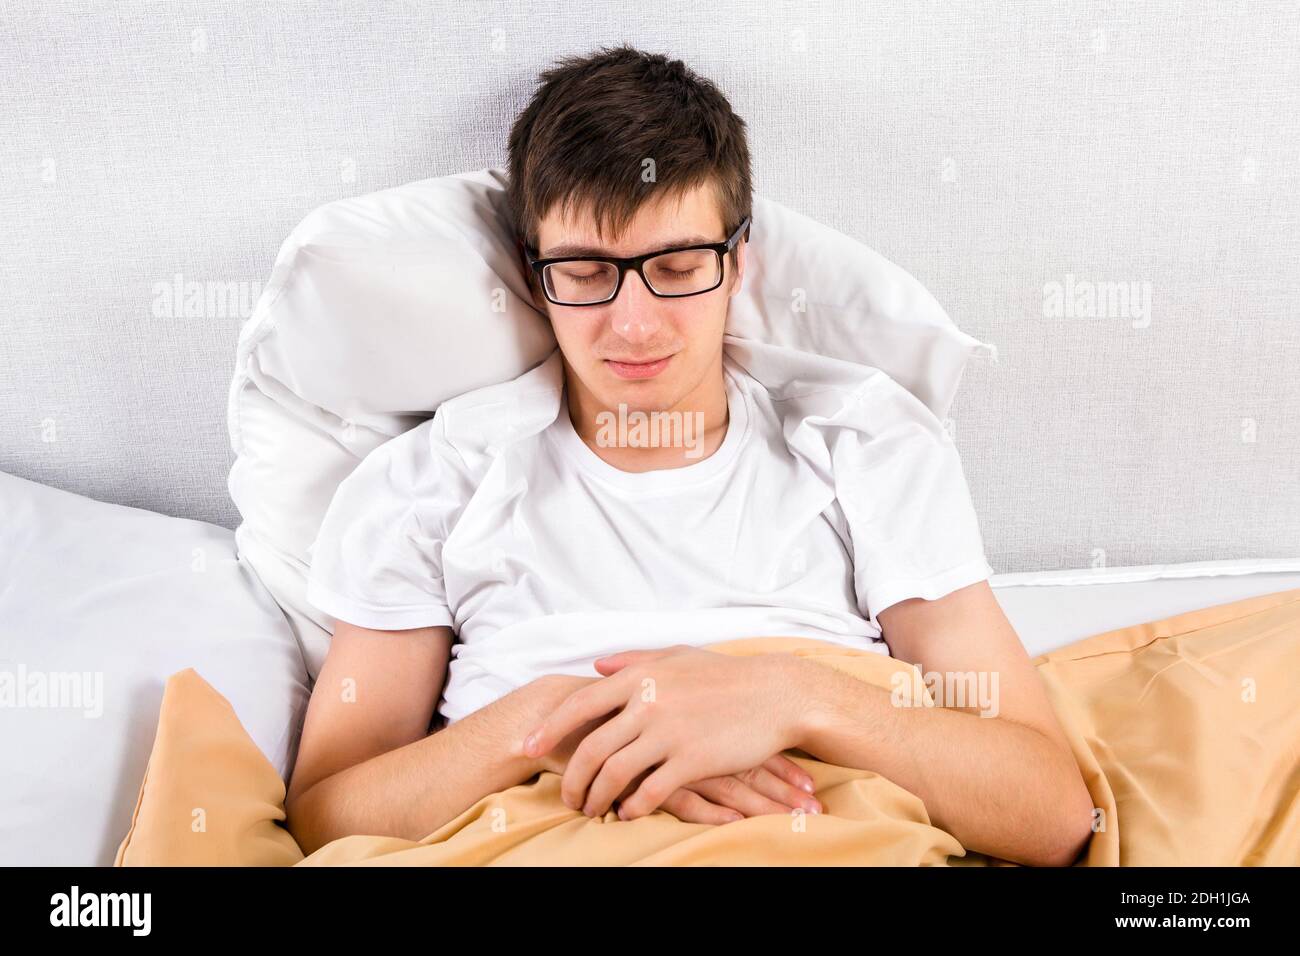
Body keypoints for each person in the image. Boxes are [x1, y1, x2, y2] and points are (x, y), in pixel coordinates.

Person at [284, 44, 1094, 866]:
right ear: (535, 279)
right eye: (589, 272)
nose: (633, 324)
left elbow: (1052, 810)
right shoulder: (433, 482)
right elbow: (327, 817)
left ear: (739, 262)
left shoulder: (861, 441)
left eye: (675, 268)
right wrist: (560, 724)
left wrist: (792, 696)